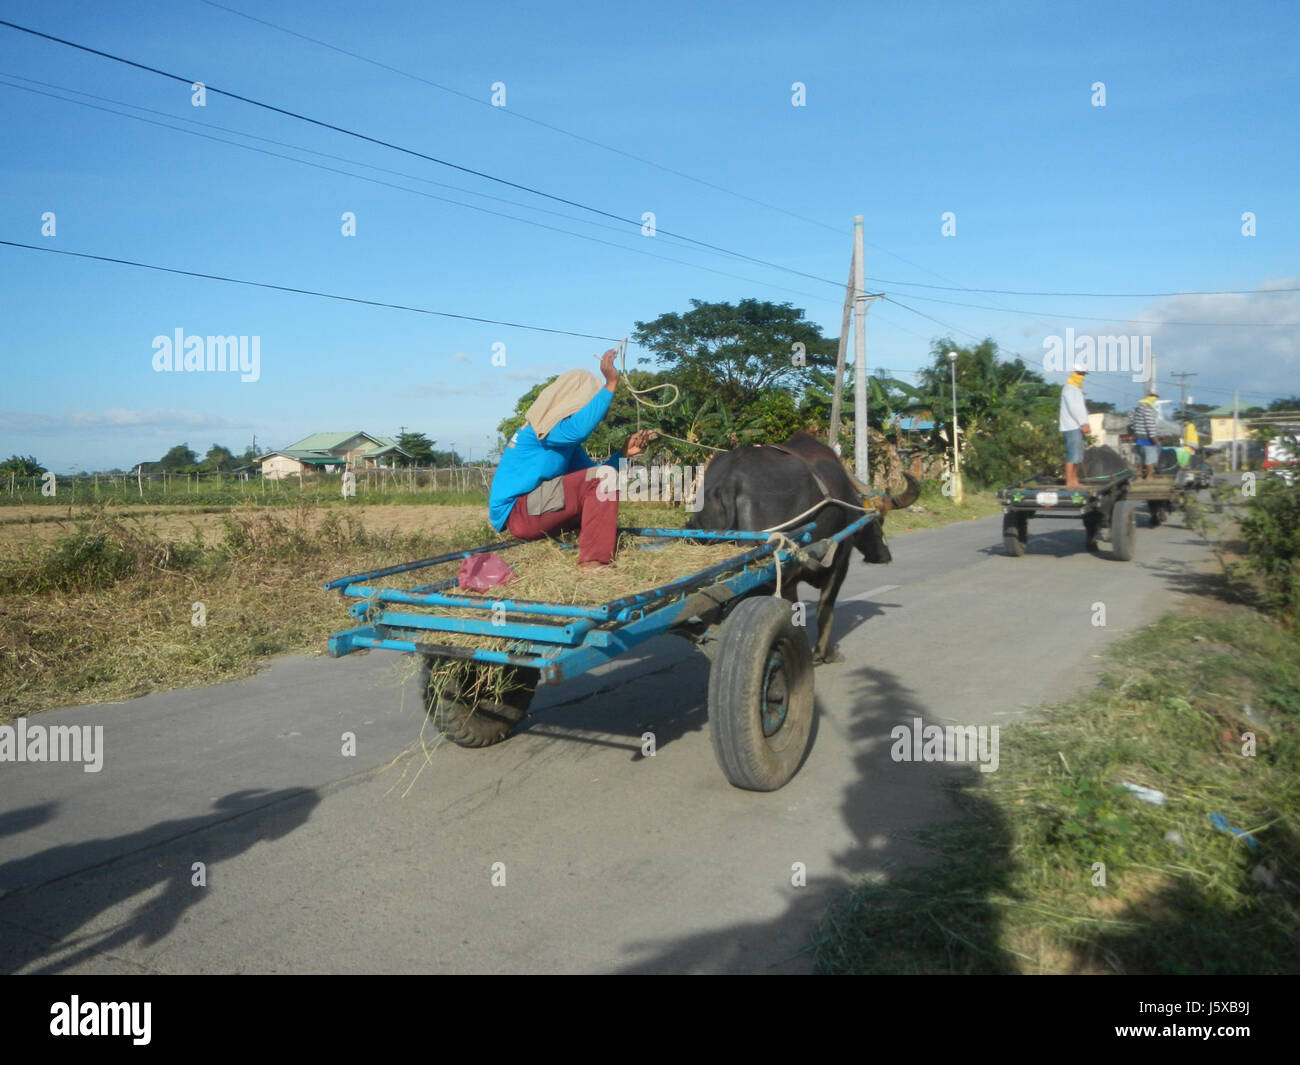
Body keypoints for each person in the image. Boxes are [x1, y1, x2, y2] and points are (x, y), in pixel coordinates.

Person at [488, 349, 655, 570]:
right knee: (602, 479)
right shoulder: (543, 430)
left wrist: (623, 454)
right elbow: (578, 430)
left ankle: (594, 551)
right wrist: (611, 384)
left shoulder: (566, 443)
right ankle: (593, 563)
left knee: (601, 480)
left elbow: (596, 481)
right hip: (519, 514)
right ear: (572, 402)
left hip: (537, 512)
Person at [1059, 361, 1092, 487]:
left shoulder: (1076, 389)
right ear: (1073, 373)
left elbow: (1081, 408)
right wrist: (1084, 423)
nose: (1081, 376)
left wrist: (1084, 423)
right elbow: (1074, 408)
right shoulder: (1070, 388)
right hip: (1072, 426)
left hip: (1076, 426)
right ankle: (1069, 482)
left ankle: (1075, 481)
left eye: (1083, 374)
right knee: (1072, 455)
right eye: (1079, 373)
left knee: (1077, 456)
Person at [1130, 391, 1160, 479]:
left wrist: (1135, 428)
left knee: (1140, 458)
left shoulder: (1137, 408)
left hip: (1138, 439)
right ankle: (1150, 476)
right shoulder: (1148, 409)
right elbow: (1149, 424)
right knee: (1150, 459)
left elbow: (1130, 417)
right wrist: (1154, 437)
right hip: (1147, 439)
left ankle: (1139, 476)